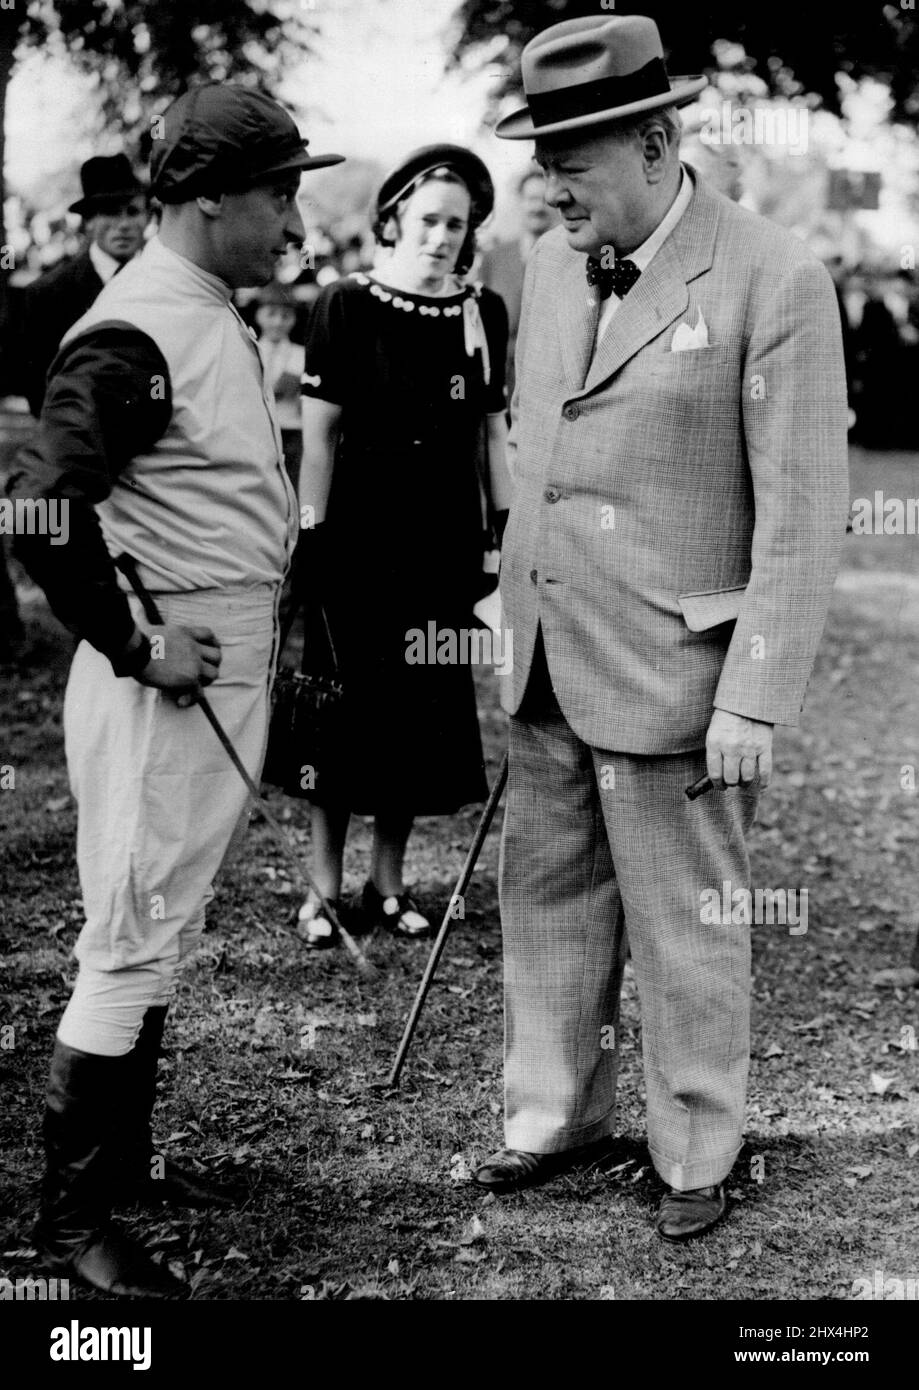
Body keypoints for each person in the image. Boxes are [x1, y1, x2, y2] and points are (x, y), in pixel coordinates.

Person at [474, 14, 850, 1242]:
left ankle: (698, 1146)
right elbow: (539, 457)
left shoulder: (773, 274)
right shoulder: (540, 268)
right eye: (543, 154)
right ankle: (557, 1114)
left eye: (573, 155)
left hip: (680, 675)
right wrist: (505, 603)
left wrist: (752, 693)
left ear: (655, 139)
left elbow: (802, 513)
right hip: (543, 657)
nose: (551, 181)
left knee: (688, 925)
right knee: (548, 905)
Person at [5, 83, 343, 1298]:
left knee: (162, 919)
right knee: (129, 932)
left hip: (221, 658)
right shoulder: (136, 324)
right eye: (279, 193)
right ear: (202, 202)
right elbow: (42, 509)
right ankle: (68, 1220)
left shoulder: (199, 304)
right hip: (169, 676)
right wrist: (136, 646)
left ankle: (129, 1170)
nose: (296, 220)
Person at [292, 144, 512, 948]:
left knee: (416, 714)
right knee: (342, 711)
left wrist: (501, 533)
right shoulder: (343, 305)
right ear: (393, 220)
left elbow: (493, 434)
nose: (441, 236)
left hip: (441, 546)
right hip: (355, 540)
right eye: (427, 219)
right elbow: (319, 437)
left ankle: (387, 882)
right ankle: (323, 886)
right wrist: (310, 532)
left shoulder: (479, 312)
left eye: (456, 223)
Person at [18, 155, 149, 416]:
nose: (124, 224)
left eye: (133, 212)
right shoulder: (48, 295)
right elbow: (39, 392)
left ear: (147, 217)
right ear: (88, 221)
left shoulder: (161, 284)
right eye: (111, 211)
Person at [478, 166, 555, 397]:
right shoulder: (494, 258)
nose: (537, 207)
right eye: (531, 199)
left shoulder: (574, 259)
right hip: (499, 387)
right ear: (520, 202)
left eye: (544, 200)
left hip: (547, 388)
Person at [254, 279, 306, 490]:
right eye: (271, 314)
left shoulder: (301, 355)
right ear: (259, 315)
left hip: (292, 433)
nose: (277, 322)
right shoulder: (250, 351)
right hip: (257, 432)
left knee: (290, 487)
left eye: (285, 316)